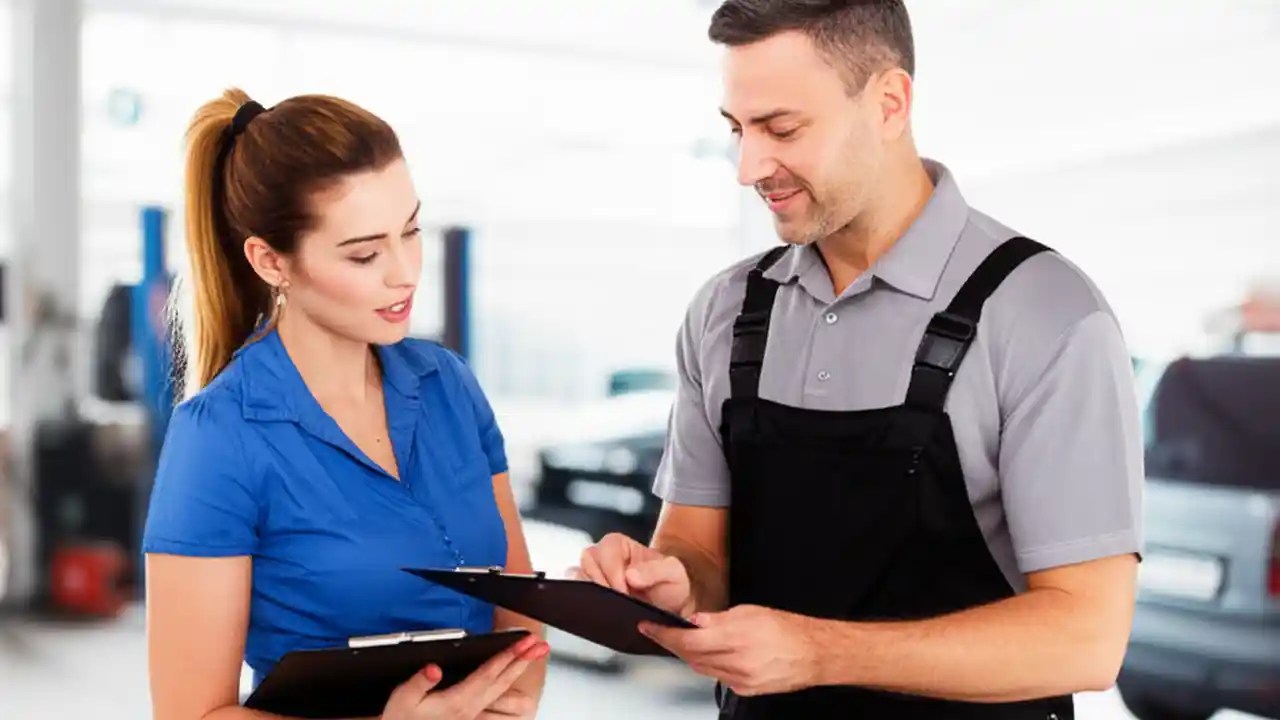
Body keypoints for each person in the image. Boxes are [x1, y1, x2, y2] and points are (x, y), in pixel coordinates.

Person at [575, 2, 1143, 718]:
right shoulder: (724, 312)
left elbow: (1085, 640)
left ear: (889, 103)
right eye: (736, 130)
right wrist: (670, 583)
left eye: (782, 128)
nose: (749, 167)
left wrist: (819, 652)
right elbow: (697, 550)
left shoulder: (1044, 314)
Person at [143, 88, 549, 720]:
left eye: (411, 231)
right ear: (271, 261)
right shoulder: (220, 436)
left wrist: (511, 698)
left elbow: (519, 610)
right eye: (364, 253)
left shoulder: (449, 385)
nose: (405, 273)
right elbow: (190, 714)